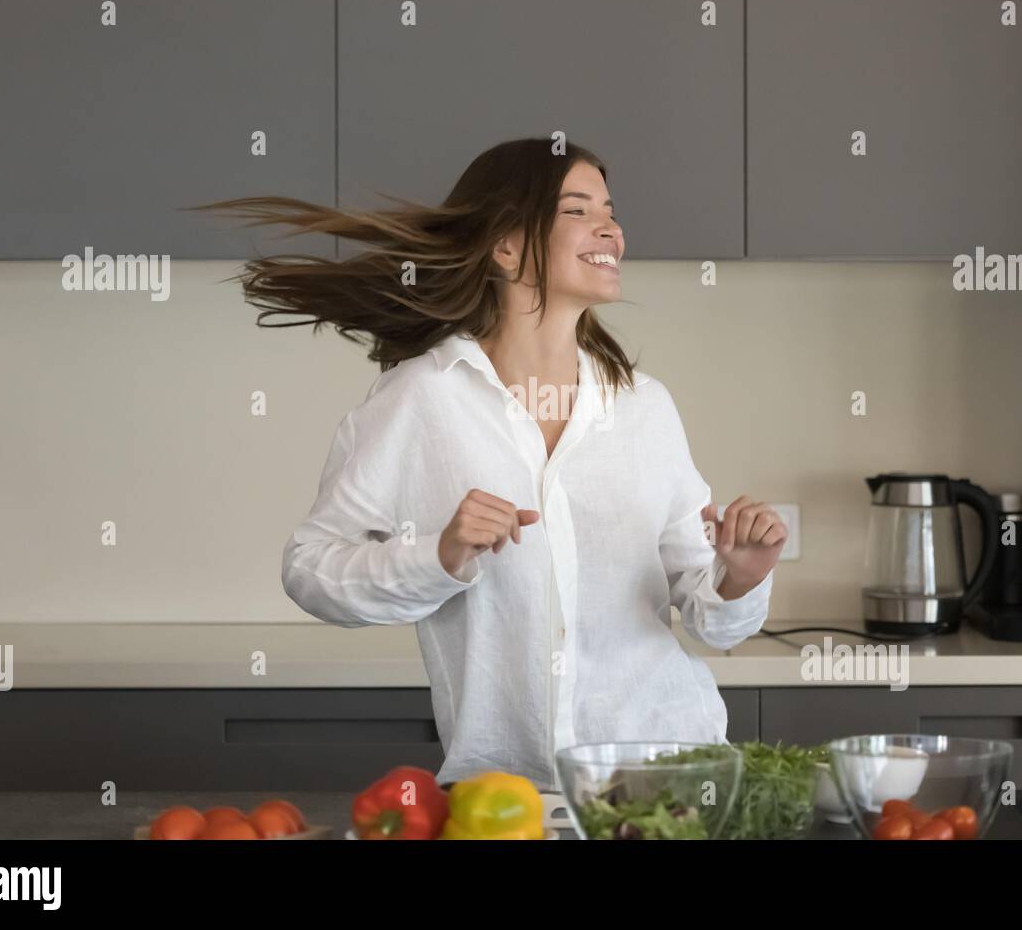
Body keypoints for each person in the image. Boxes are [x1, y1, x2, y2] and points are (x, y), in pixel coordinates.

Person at [192, 138, 787, 790]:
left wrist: (741, 574)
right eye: (577, 210)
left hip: (668, 776)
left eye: (611, 211)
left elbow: (709, 617)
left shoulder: (644, 406)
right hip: (503, 796)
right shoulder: (421, 399)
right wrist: (438, 556)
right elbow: (310, 569)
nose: (610, 227)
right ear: (506, 246)